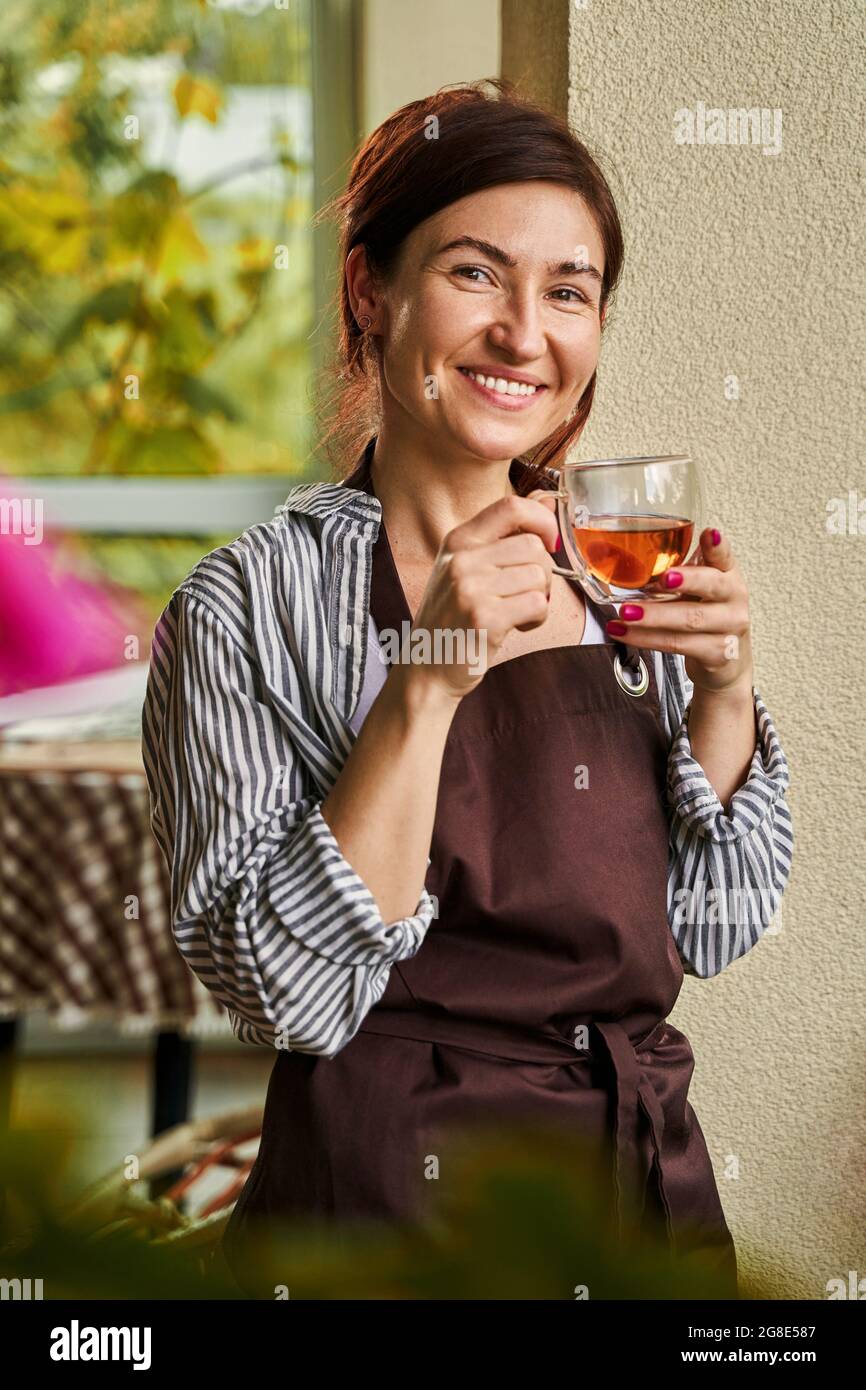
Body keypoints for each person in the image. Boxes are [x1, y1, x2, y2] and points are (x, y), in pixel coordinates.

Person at [141, 79, 793, 1299]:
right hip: (381, 1223)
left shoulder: (616, 567)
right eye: (475, 274)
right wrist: (425, 679)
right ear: (369, 292)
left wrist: (720, 693)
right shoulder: (249, 605)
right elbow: (284, 996)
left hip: (631, 1206)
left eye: (567, 290)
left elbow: (710, 924)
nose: (523, 334)